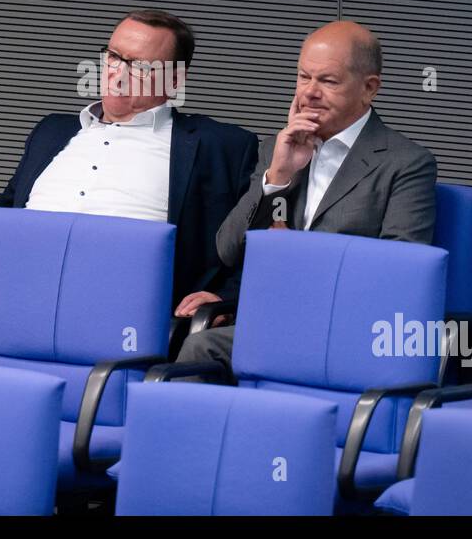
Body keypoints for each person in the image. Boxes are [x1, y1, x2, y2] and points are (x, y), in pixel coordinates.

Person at [177, 20, 437, 374]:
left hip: (354, 329)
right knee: (200, 347)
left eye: (327, 81)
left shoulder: (404, 163)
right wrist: (279, 177)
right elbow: (228, 250)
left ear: (369, 88)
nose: (309, 92)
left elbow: (401, 272)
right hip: (278, 324)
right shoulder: (277, 149)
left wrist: (298, 257)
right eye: (303, 77)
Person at [0, 9, 258, 310]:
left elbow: (258, 238)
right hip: (20, 297)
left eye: (140, 67)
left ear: (174, 80)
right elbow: (5, 216)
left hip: (127, 312)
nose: (117, 74)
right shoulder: (50, 132)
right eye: (113, 56)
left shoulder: (221, 147)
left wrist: (226, 298)